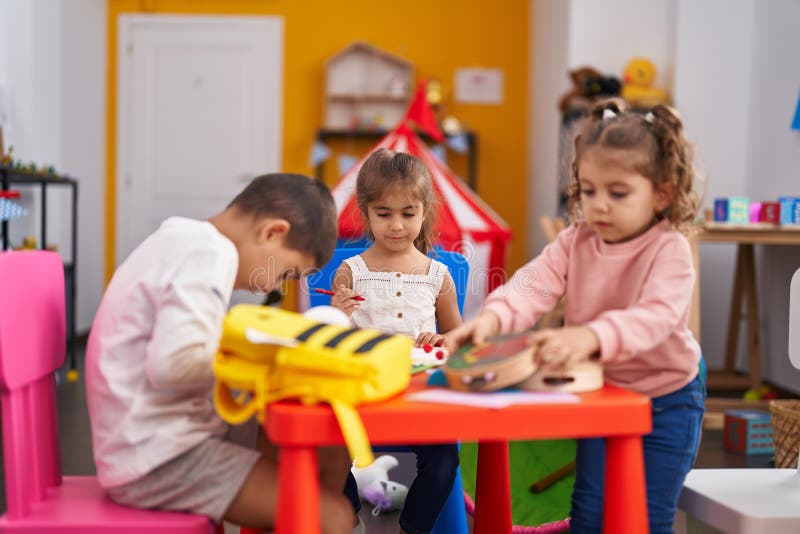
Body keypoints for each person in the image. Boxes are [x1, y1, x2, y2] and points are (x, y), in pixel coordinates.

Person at [444, 100, 705, 534]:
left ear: (663, 193)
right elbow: (532, 285)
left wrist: (589, 336)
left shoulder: (669, 249)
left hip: (668, 398)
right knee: (589, 512)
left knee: (646, 517)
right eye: (588, 190)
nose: (599, 206)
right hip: (604, 393)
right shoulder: (576, 241)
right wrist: (489, 320)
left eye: (617, 193)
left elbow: (656, 317)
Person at [85, 174, 356, 534]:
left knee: (330, 446)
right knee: (333, 515)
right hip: (156, 457)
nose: (274, 286)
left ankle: (294, 511)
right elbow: (174, 366)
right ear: (273, 232)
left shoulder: (185, 242)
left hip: (160, 437)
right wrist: (268, 361)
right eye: (286, 273)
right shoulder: (209, 252)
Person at [330, 148, 462, 534]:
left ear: (425, 210)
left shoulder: (437, 275)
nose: (397, 225)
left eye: (408, 213)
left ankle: (411, 528)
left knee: (445, 462)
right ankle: (348, 519)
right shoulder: (349, 272)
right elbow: (328, 338)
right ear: (366, 212)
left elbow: (458, 336)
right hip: (361, 399)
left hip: (418, 400)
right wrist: (339, 314)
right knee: (326, 449)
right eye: (384, 214)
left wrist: (443, 338)